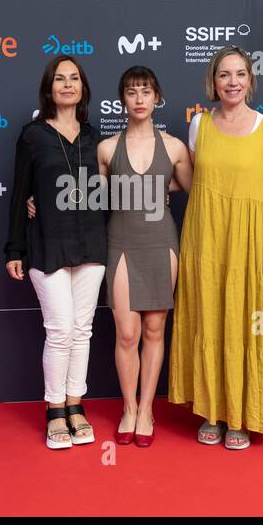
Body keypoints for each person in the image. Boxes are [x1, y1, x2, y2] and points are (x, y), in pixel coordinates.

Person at [169, 45, 263, 450]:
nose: (232, 82)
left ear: (250, 80)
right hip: (206, 238)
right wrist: (129, 185)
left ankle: (242, 413)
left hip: (250, 240)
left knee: (249, 322)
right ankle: (213, 410)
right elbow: (190, 181)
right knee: (210, 317)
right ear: (213, 81)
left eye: (240, 74)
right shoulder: (198, 126)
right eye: (224, 75)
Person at [4, 56, 106, 450]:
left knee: (83, 330)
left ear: (83, 88)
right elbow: (18, 192)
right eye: (59, 79)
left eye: (74, 79)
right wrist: (14, 247)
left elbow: (110, 189)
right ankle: (54, 410)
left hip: (92, 243)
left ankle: (76, 405)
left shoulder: (96, 137)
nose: (67, 85)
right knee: (60, 330)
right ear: (49, 89)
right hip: (47, 242)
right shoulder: (32, 135)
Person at [98, 67, 191, 447]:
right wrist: (38, 200)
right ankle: (128, 408)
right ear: (123, 100)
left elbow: (198, 190)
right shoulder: (105, 149)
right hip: (121, 242)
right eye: (132, 92)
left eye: (146, 92)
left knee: (155, 330)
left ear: (157, 99)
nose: (139, 99)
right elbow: (91, 198)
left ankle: (148, 409)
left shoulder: (174, 147)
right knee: (127, 332)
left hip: (161, 242)